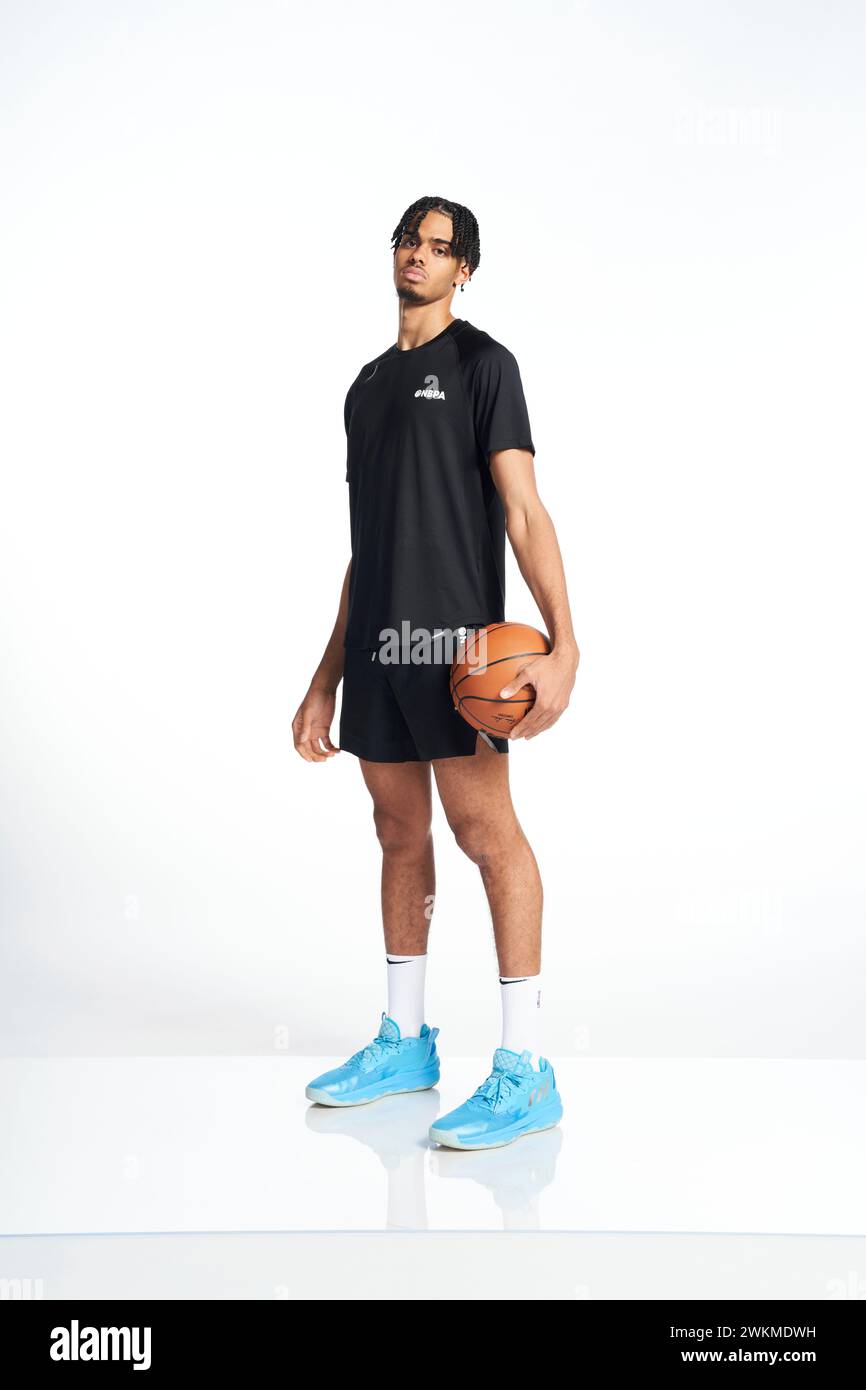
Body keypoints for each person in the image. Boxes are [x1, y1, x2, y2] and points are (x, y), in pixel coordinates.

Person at [293, 195, 579, 1150]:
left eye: (439, 246)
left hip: (457, 654)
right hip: (376, 649)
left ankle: (526, 1069)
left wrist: (564, 643)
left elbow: (526, 512)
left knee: (486, 833)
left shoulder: (482, 366)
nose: (418, 254)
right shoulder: (366, 386)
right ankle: (406, 1042)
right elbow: (361, 545)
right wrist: (324, 675)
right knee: (396, 832)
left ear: (466, 271)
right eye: (408, 240)